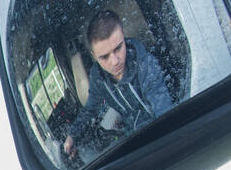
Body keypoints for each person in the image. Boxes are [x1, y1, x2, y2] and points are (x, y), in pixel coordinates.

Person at [62, 9, 175, 160]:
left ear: (124, 37)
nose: (115, 61)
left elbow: (165, 115)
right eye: (104, 57)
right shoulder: (98, 77)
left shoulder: (145, 65)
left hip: (157, 137)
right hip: (132, 138)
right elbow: (90, 109)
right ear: (94, 56)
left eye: (118, 48)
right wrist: (72, 136)